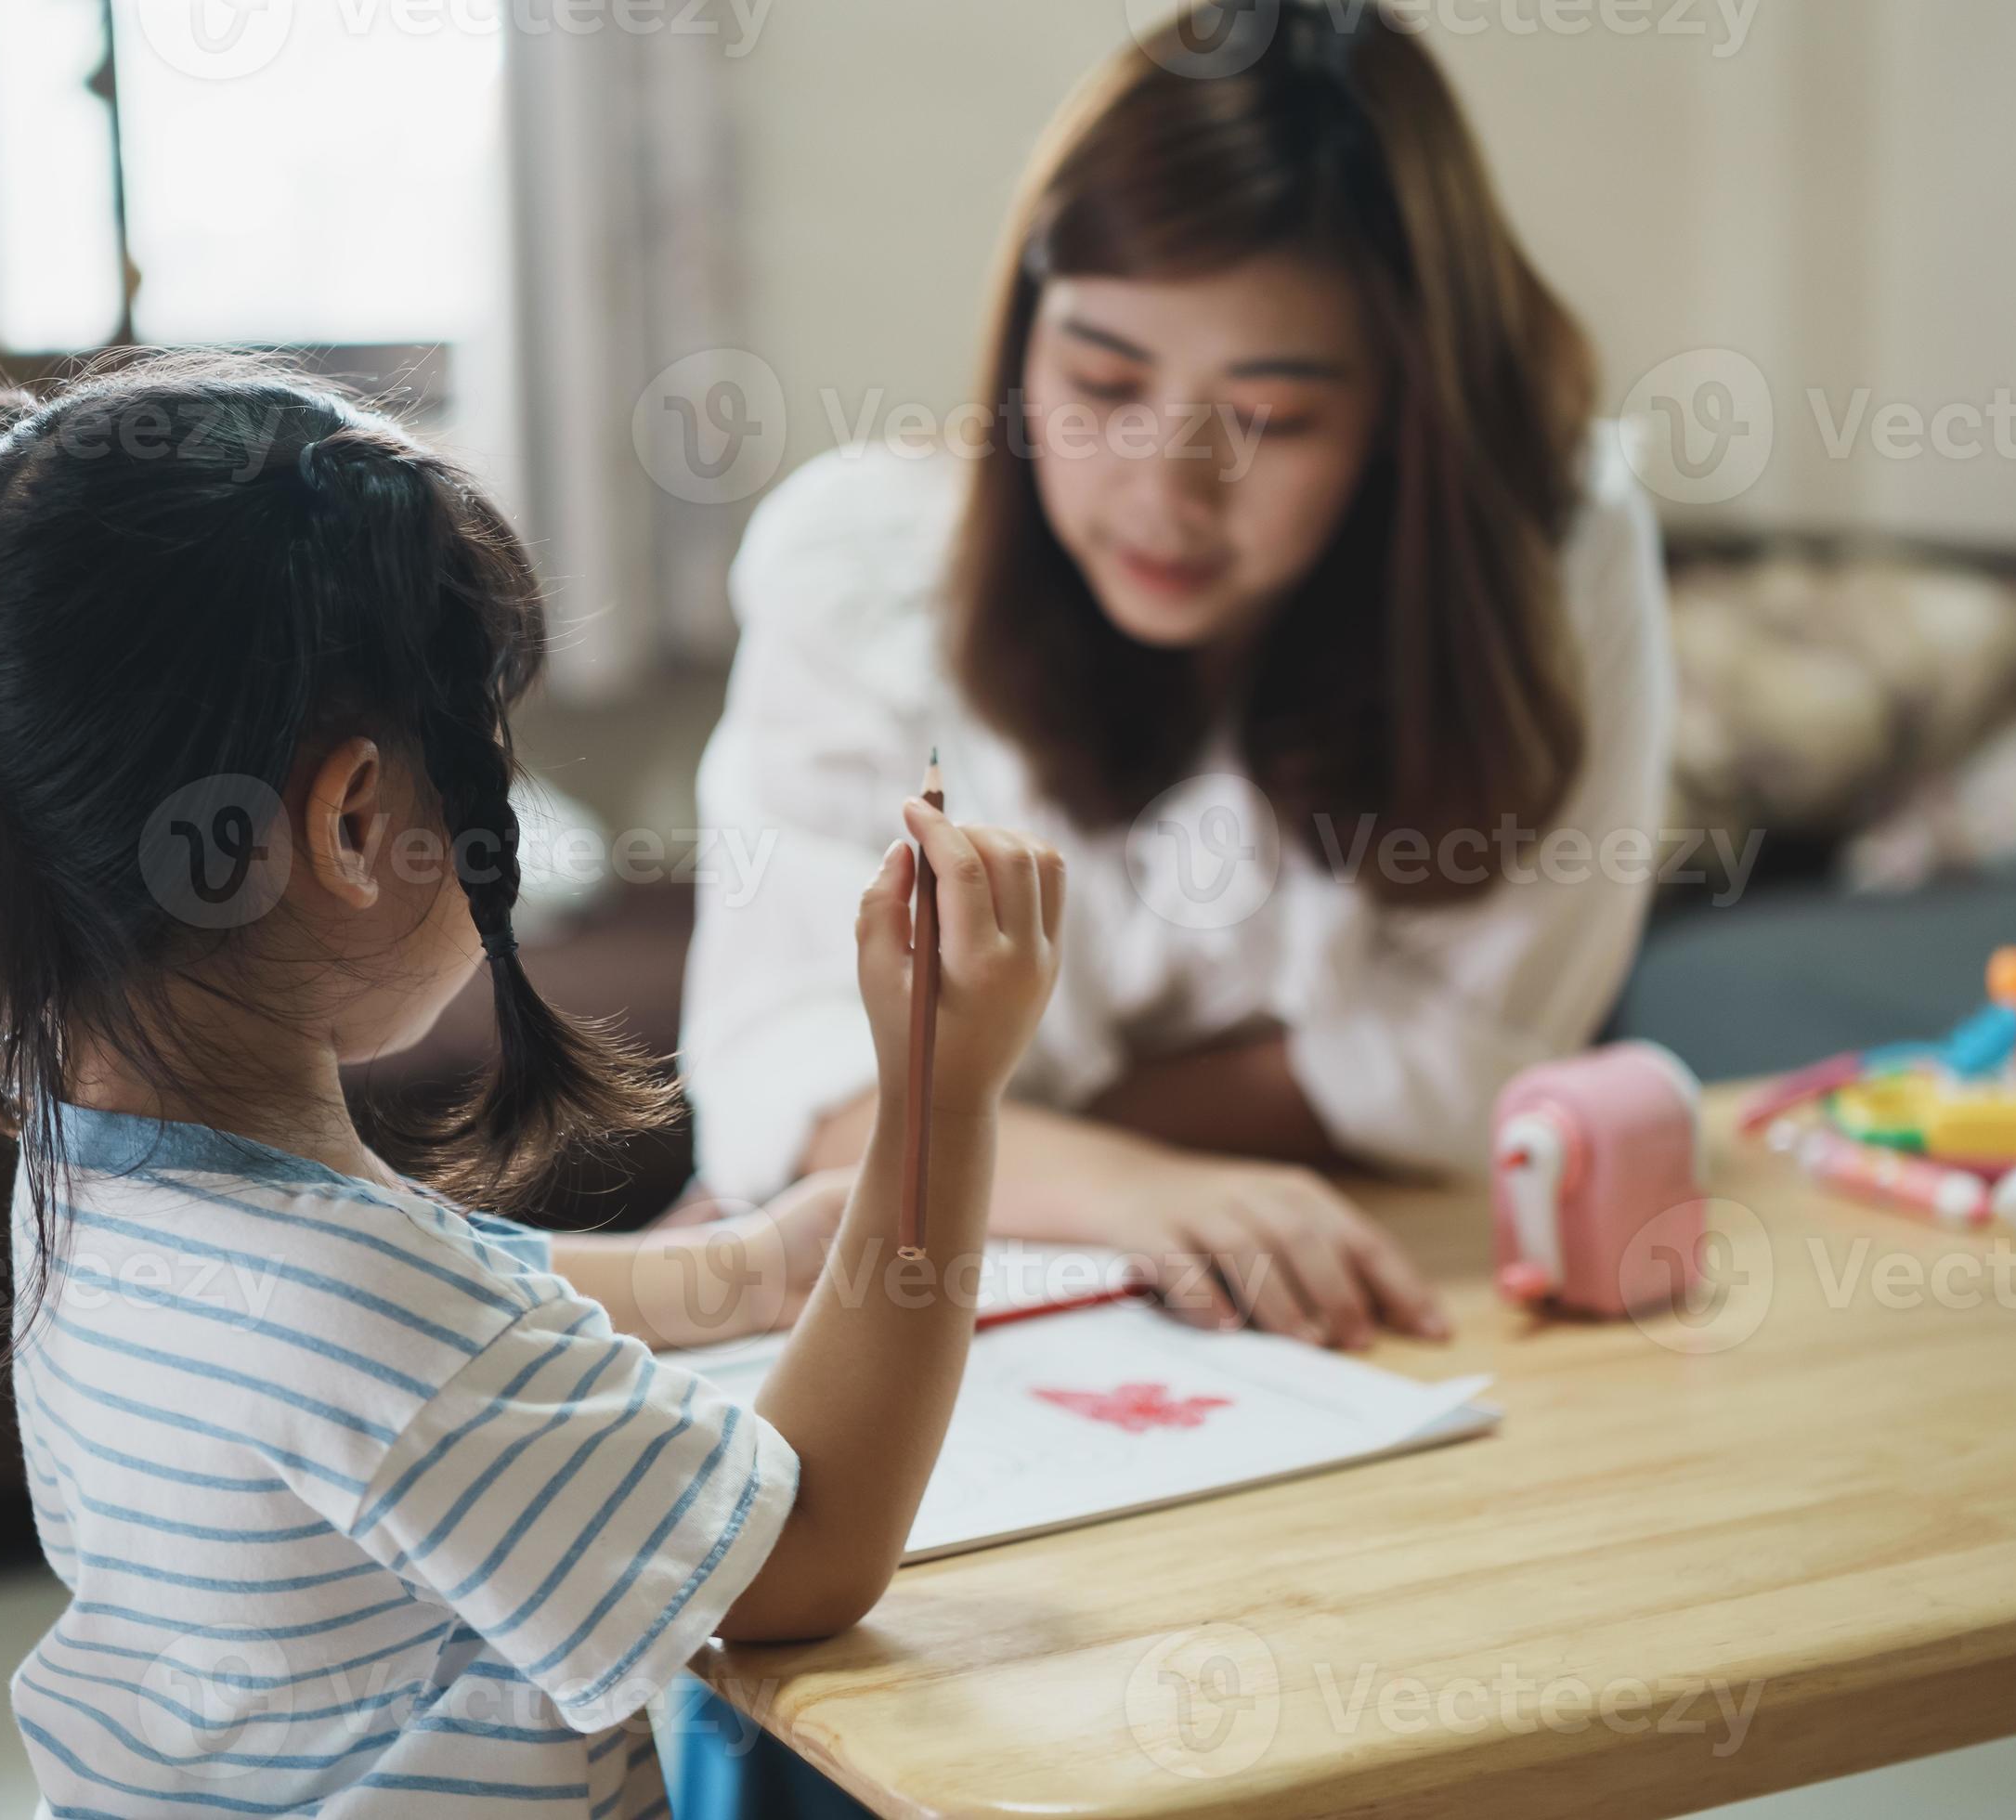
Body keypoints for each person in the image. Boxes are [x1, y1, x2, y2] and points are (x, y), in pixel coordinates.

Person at [0, 355, 1063, 1818]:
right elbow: (808, 1558)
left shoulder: (101, 1167)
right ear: (357, 818)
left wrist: (741, 1273)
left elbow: (449, 1293)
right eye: (488, 754)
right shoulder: (359, 1313)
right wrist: (942, 1100)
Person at [683, 0, 1674, 1349]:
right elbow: (783, 1085)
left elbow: (1476, 1056)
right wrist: (1118, 1182)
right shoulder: (855, 564)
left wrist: (968, 1127)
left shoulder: (1548, 541)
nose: (1163, 495)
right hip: (901, 1259)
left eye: (1266, 419)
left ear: (1407, 408)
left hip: (1331, 1261)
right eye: (1097, 382)